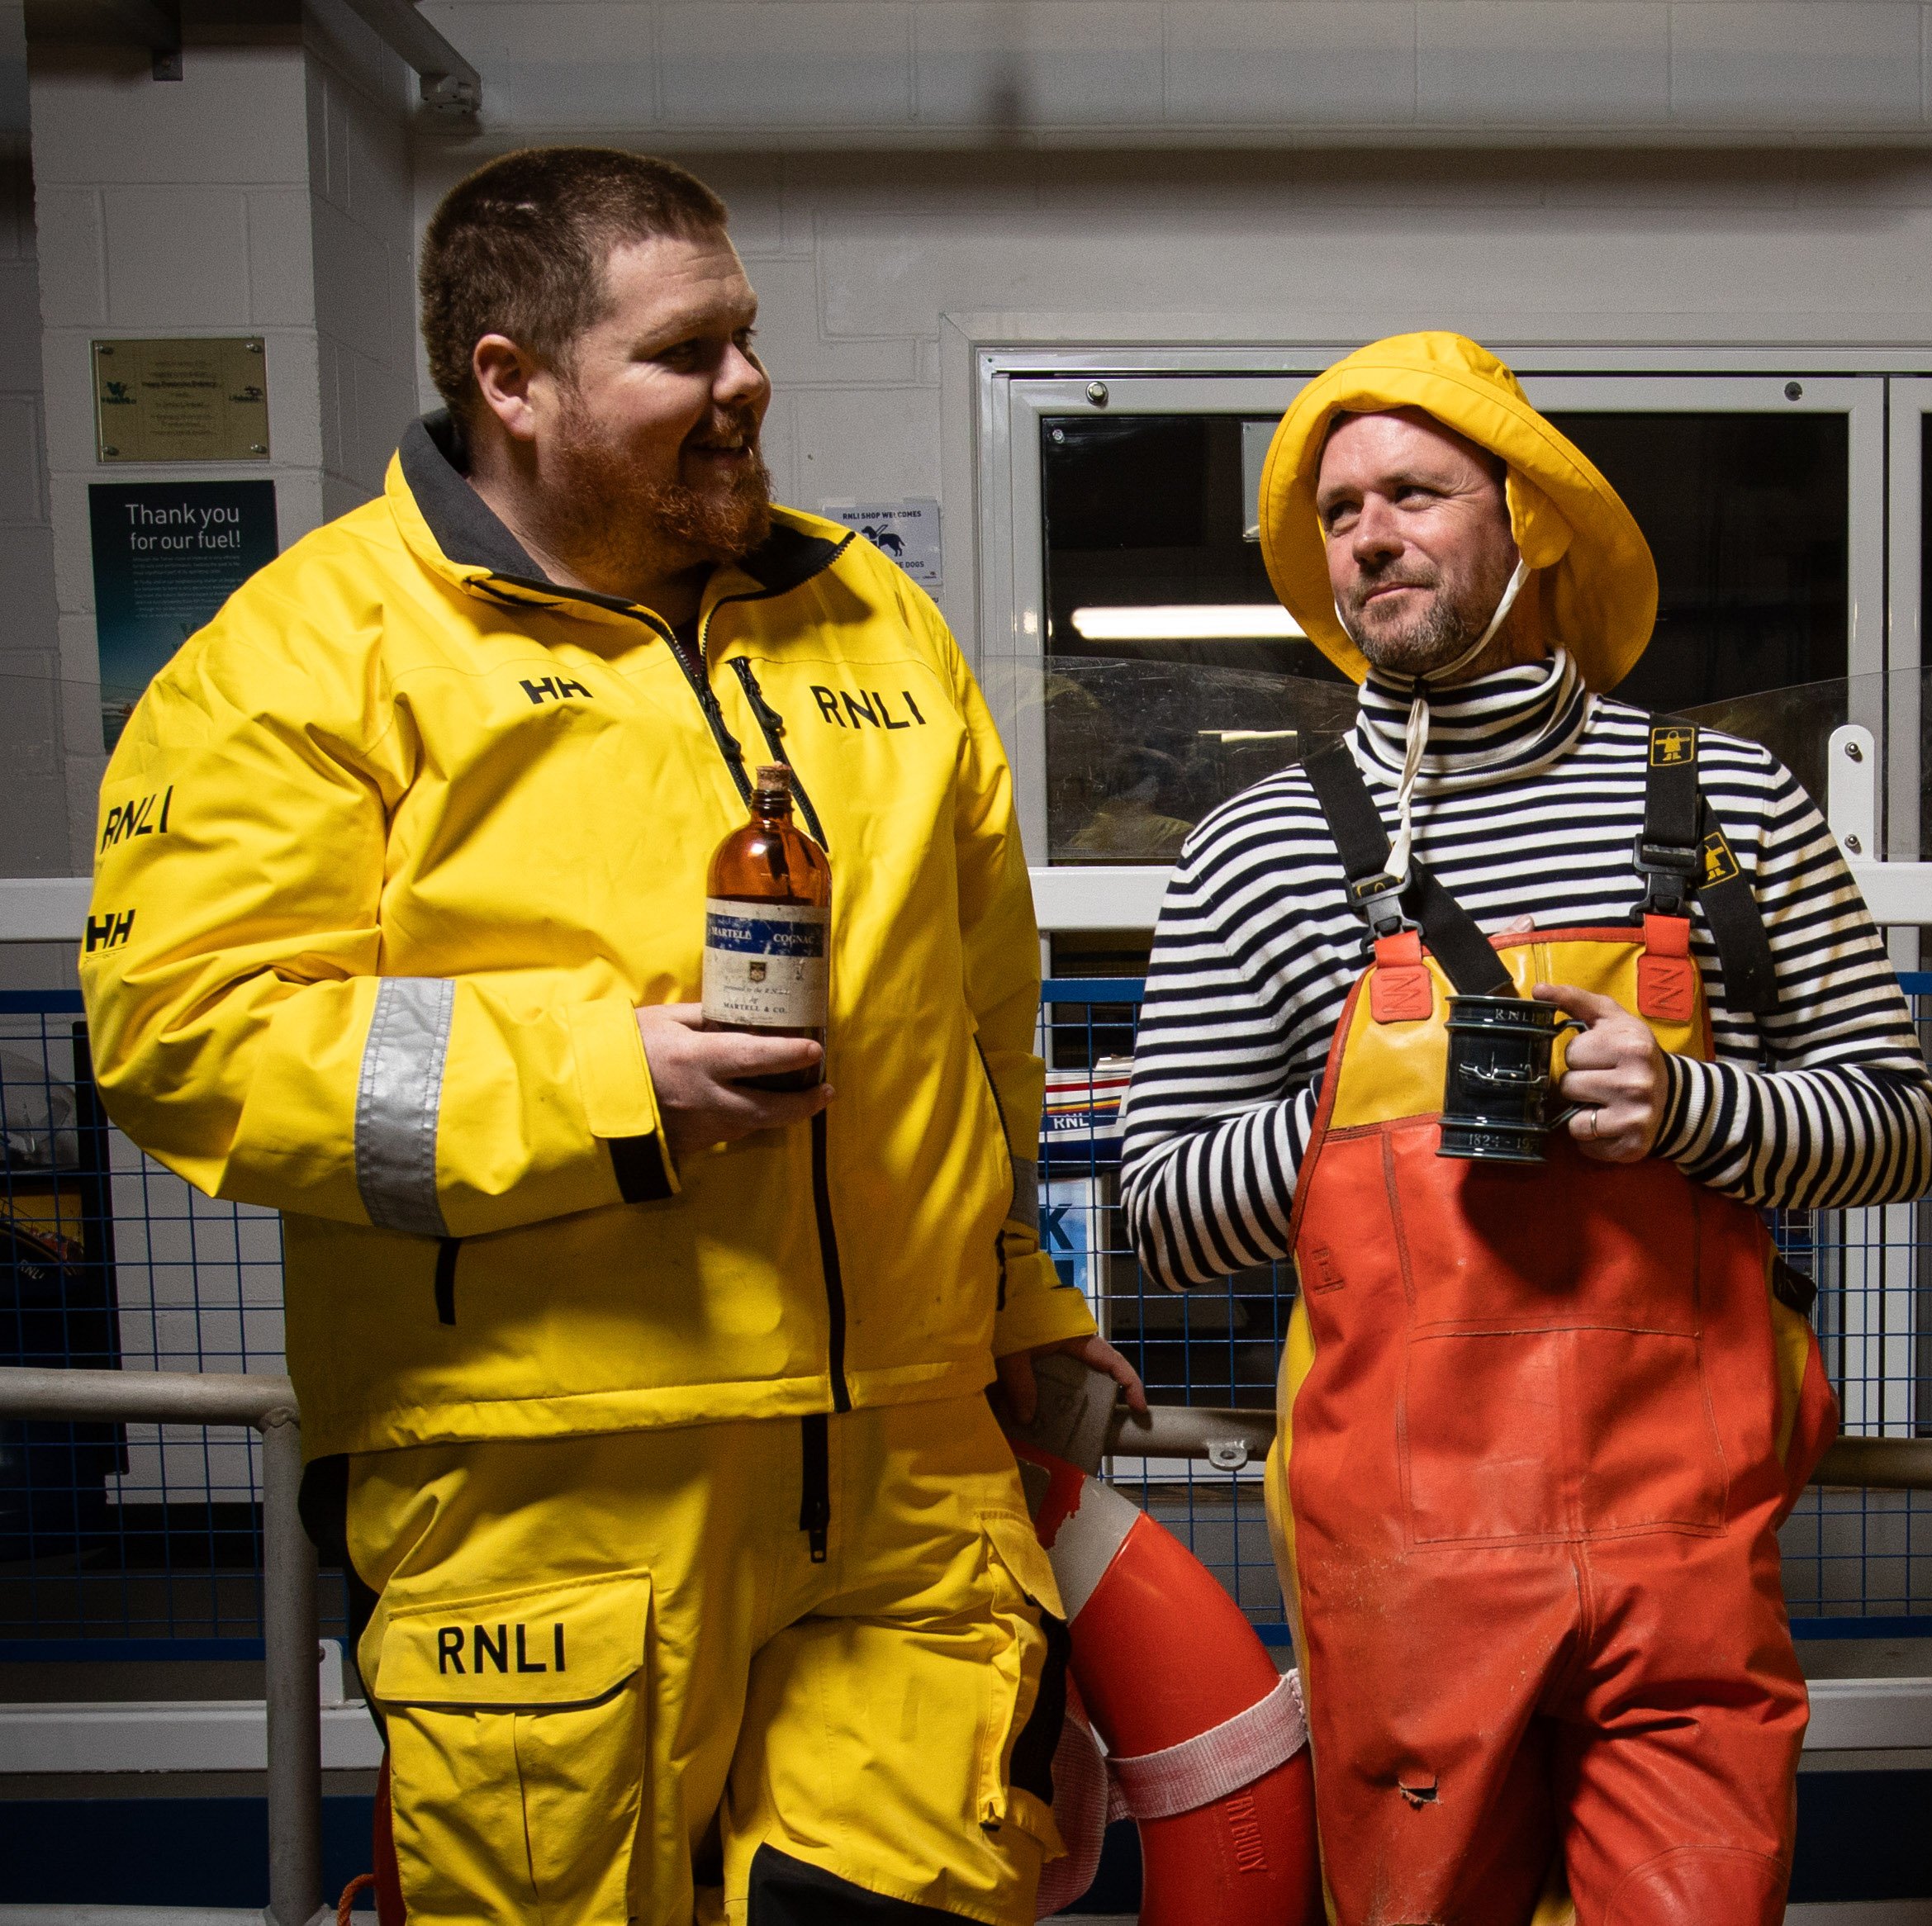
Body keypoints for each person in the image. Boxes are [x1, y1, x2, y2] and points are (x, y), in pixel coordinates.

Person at [79, 147, 1140, 1925]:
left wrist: (1022, 1299)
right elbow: (186, 1029)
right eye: (683, 352)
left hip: (901, 1461)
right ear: (512, 379)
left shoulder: (877, 623)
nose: (745, 385)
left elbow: (977, 1033)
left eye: (745, 337)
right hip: (548, 1485)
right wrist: (603, 1082)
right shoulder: (307, 652)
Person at [1118, 330, 1932, 1926]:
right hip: (1401, 1567)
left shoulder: (1722, 805)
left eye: (1415, 492)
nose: (1368, 534)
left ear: (1529, 523)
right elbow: (1162, 1212)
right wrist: (1362, 1110)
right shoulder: (1256, 841)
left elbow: (1893, 1126)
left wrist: (1689, 1105)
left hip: (1684, 1551)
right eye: (1339, 510)